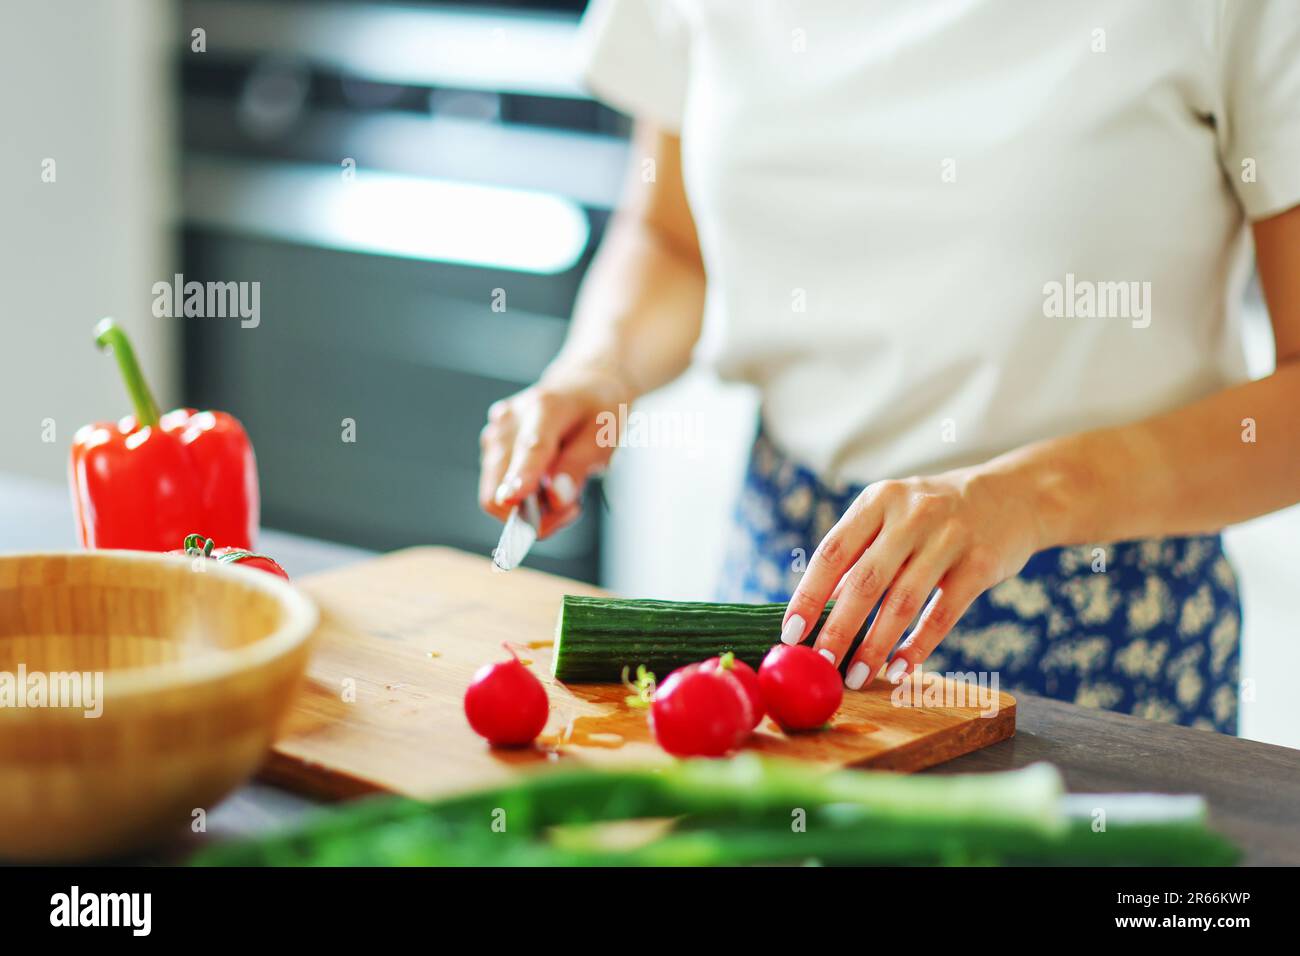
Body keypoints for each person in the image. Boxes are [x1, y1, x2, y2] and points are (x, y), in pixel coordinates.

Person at [478, 0, 1300, 733]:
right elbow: (669, 239)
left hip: (1108, 630)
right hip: (789, 596)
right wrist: (601, 367)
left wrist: (1024, 497)